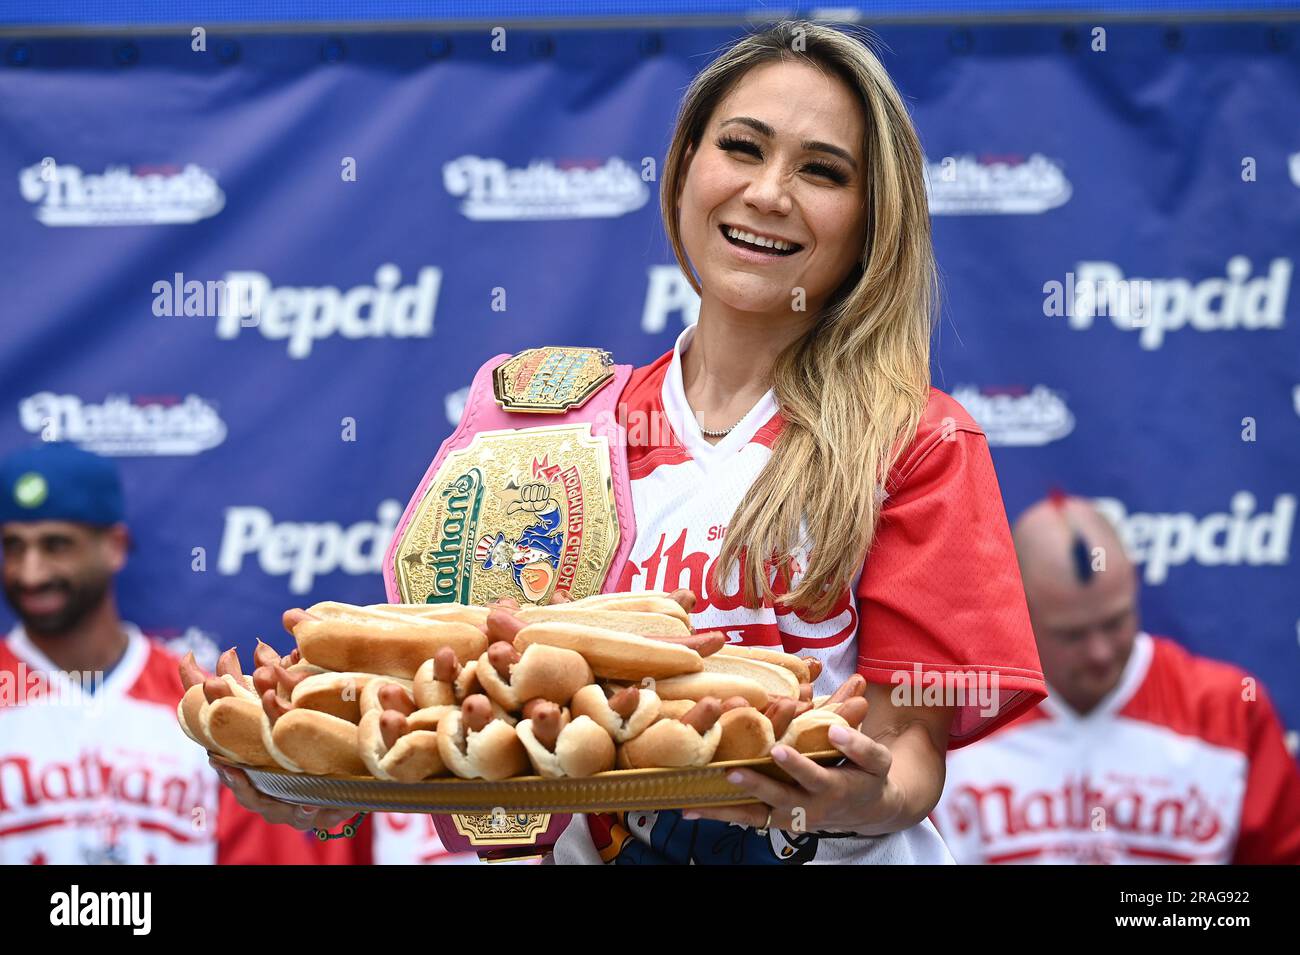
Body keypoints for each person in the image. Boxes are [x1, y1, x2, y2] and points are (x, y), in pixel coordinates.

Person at [219, 19, 1048, 865]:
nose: (769, 192)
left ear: (873, 218)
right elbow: (485, 720)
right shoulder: (555, 426)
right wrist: (316, 767)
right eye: (742, 147)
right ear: (686, 164)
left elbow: (911, 757)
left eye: (822, 170)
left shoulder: (916, 438)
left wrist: (857, 800)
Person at [0, 441, 366, 864]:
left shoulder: (196, 701)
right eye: (13, 546)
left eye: (56, 545)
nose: (31, 572)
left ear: (114, 546)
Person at [931, 493, 1300, 864]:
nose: (1100, 652)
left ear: (1134, 583)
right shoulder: (958, 720)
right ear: (1015, 609)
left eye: (1115, 623)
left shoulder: (1227, 710)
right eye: (1071, 635)